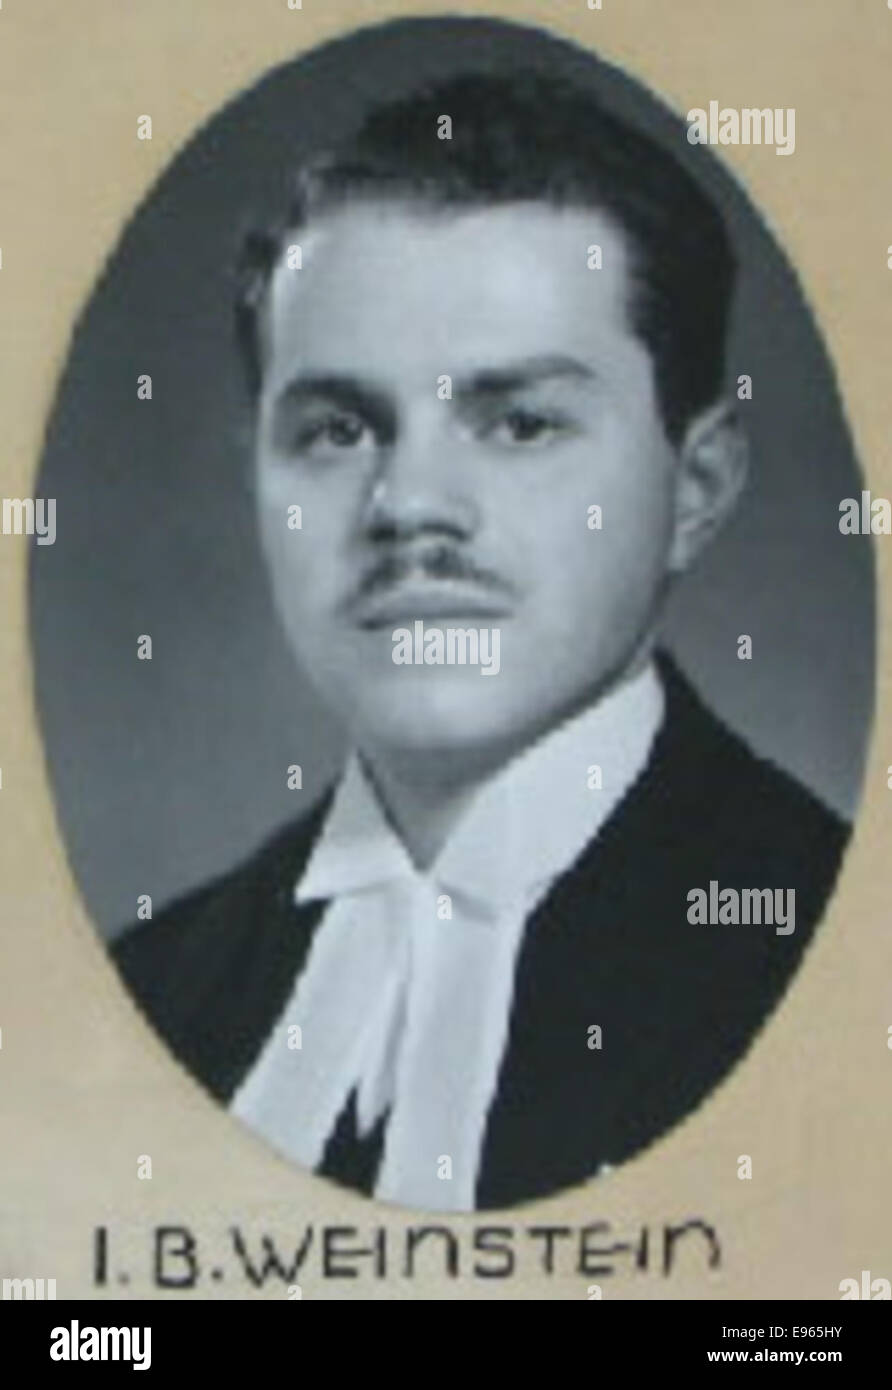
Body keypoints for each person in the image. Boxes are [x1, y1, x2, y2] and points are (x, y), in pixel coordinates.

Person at [113, 69, 848, 1211]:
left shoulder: (842, 962)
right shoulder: (150, 991)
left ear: (695, 488)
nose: (410, 503)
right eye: (339, 427)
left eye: (519, 422)